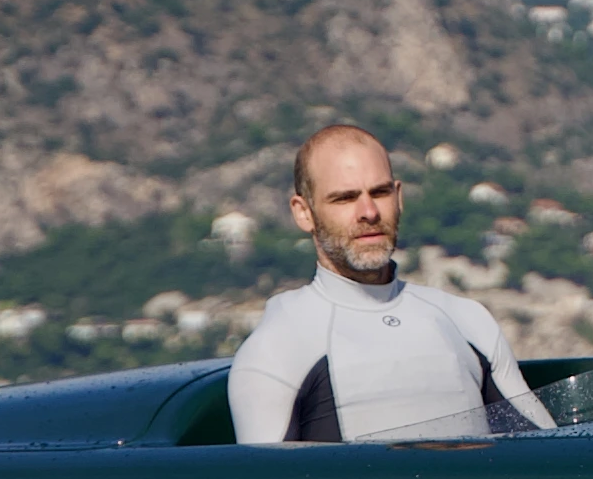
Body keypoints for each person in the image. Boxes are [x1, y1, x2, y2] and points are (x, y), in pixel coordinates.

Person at [228, 123, 550, 444]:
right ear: (304, 213)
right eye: (345, 198)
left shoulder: (468, 320)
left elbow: (549, 455)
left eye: (380, 193)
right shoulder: (275, 348)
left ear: (398, 197)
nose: (368, 212)